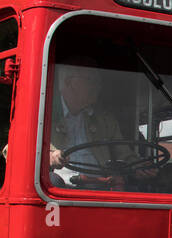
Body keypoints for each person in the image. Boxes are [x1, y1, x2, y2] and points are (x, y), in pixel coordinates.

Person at [49, 56, 128, 186]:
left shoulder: (105, 120)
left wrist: (141, 165)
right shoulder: (43, 112)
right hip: (58, 192)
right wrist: (48, 157)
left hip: (102, 187)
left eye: (99, 82)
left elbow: (124, 153)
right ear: (69, 82)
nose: (98, 87)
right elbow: (11, 150)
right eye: (91, 80)